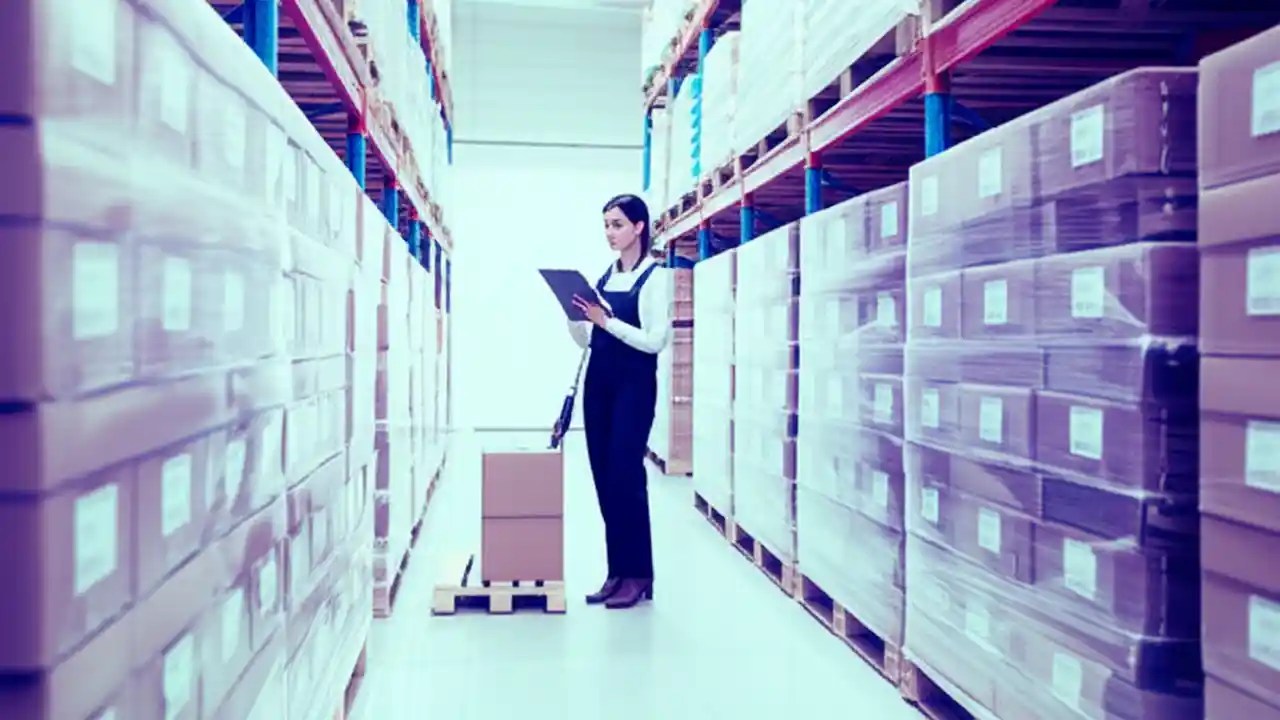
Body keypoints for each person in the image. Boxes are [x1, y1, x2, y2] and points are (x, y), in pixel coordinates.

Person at [567, 193, 671, 610]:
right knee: (603, 475)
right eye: (606, 225)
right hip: (600, 382)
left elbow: (655, 341)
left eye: (617, 225)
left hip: (634, 386)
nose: (610, 233)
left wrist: (605, 320)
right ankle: (616, 572)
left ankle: (639, 574)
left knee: (627, 476)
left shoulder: (654, 278)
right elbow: (590, 340)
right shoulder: (605, 278)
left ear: (639, 227)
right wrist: (574, 320)